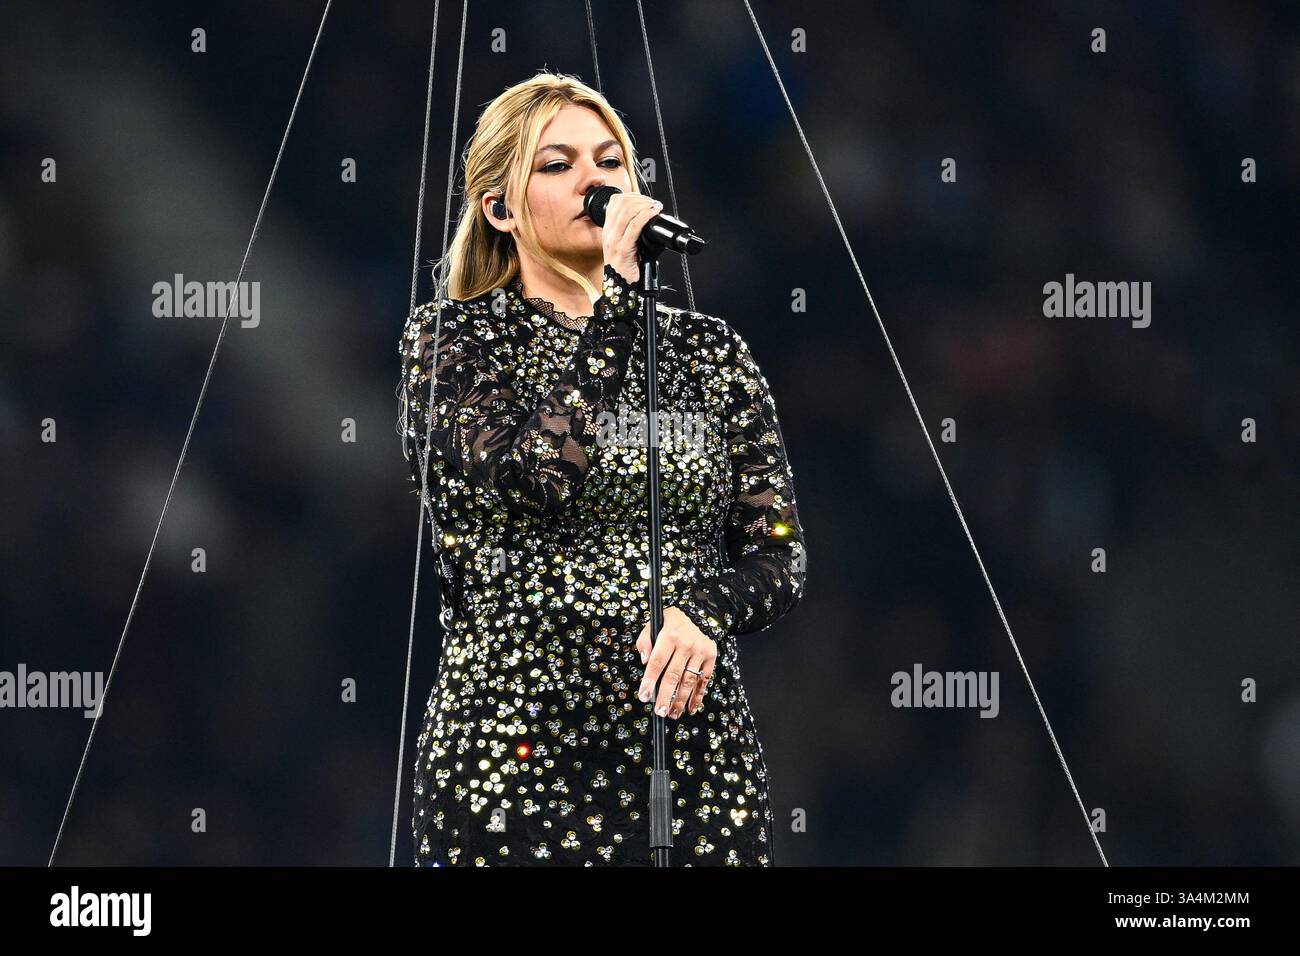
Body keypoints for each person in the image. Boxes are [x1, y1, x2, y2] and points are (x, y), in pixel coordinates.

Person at [397, 71, 807, 866]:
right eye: (557, 165)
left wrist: (705, 612)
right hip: (515, 755)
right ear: (500, 208)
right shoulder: (451, 343)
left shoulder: (709, 353)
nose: (595, 180)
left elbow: (778, 551)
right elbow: (537, 475)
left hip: (690, 758)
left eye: (610, 161)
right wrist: (621, 307)